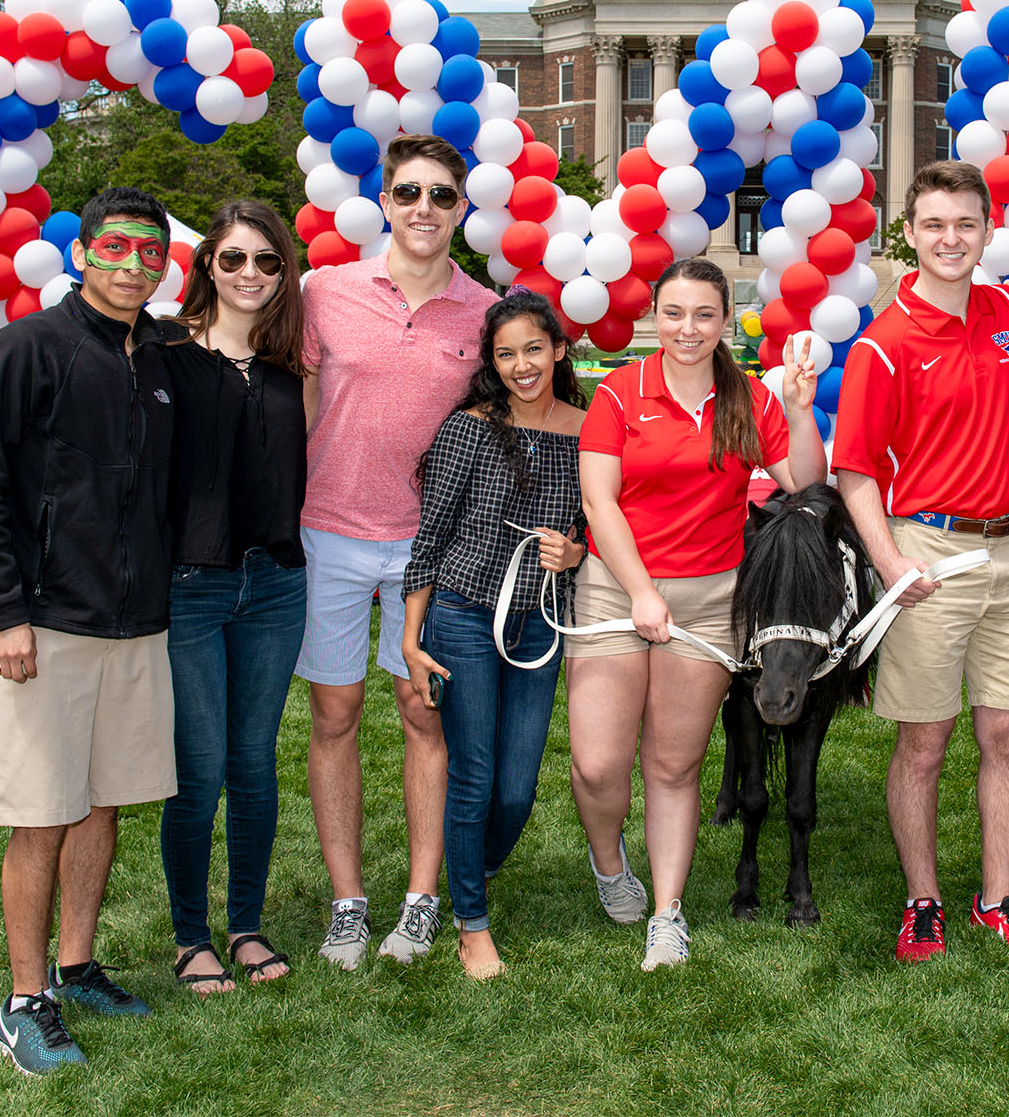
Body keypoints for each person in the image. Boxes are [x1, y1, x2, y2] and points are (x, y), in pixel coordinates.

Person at [0, 187, 179, 1075]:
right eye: (115, 248)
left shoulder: (157, 355)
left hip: (137, 621)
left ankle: (77, 965)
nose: (132, 265)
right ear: (82, 253)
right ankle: (24, 998)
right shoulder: (26, 348)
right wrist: (2, 612)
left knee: (104, 800)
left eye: (149, 252)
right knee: (42, 811)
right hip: (46, 621)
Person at [833, 161, 1009, 964]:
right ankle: (922, 898)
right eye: (934, 224)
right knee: (924, 742)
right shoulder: (884, 343)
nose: (950, 239)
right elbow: (854, 471)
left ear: (989, 228)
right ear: (910, 233)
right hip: (928, 551)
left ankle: (998, 900)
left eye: (965, 223)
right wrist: (892, 561)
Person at [572, 259, 823, 971]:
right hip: (616, 588)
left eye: (705, 314)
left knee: (675, 764)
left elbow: (804, 485)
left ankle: (667, 911)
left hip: (713, 599)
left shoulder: (748, 400)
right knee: (597, 766)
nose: (688, 328)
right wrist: (642, 589)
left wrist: (799, 411)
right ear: (655, 314)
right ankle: (611, 864)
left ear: (724, 321)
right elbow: (600, 502)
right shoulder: (621, 392)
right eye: (675, 312)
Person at [297, 133, 497, 971]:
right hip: (329, 531)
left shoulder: (486, 311)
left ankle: (420, 902)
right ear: (384, 201)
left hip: (431, 545)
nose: (424, 208)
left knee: (422, 712)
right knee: (335, 715)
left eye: (441, 195)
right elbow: (298, 390)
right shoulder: (322, 290)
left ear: (462, 209)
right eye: (409, 192)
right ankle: (348, 902)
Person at [401, 292, 588, 980]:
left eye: (534, 349)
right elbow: (432, 536)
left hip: (539, 618)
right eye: (505, 354)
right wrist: (412, 637)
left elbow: (601, 522)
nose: (521, 365)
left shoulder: (588, 430)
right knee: (474, 776)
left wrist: (576, 554)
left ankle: (461, 872)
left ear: (559, 350)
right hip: (464, 615)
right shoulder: (468, 430)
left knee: (516, 788)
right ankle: (471, 924)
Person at [157, 200, 310, 997]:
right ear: (207, 265)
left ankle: (245, 924)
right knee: (200, 764)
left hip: (278, 585)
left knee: (254, 762)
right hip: (192, 586)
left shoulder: (295, 369)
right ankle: (190, 934)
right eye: (234, 259)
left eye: (268, 261)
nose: (250, 273)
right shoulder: (163, 354)